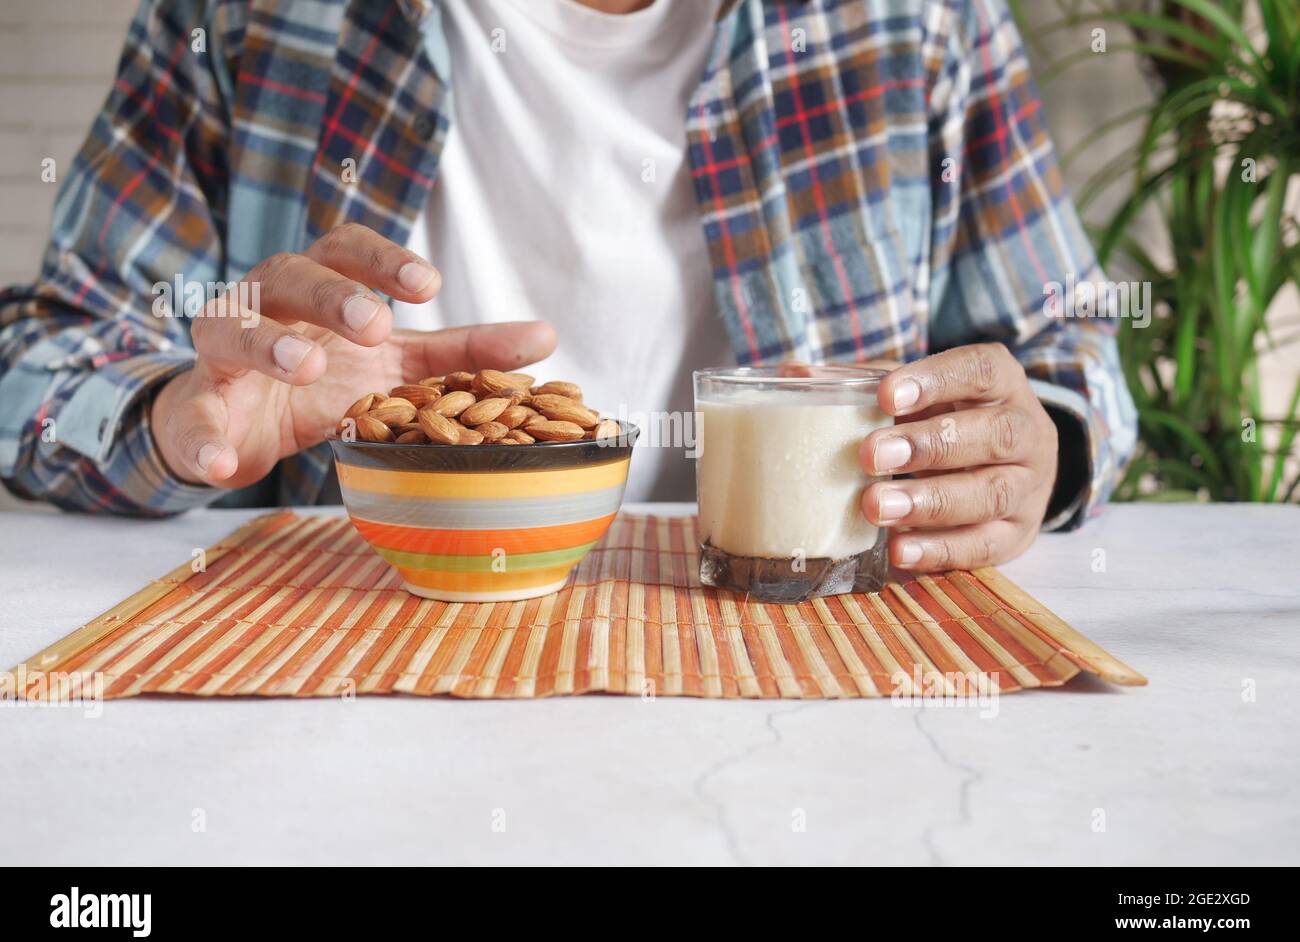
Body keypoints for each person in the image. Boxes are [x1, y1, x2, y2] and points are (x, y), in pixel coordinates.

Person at [0, 0, 1136, 572]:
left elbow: (1067, 351)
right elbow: (34, 360)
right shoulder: (240, 17)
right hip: (350, 676)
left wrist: (1042, 445)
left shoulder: (915, 18)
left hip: (795, 701)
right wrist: (166, 413)